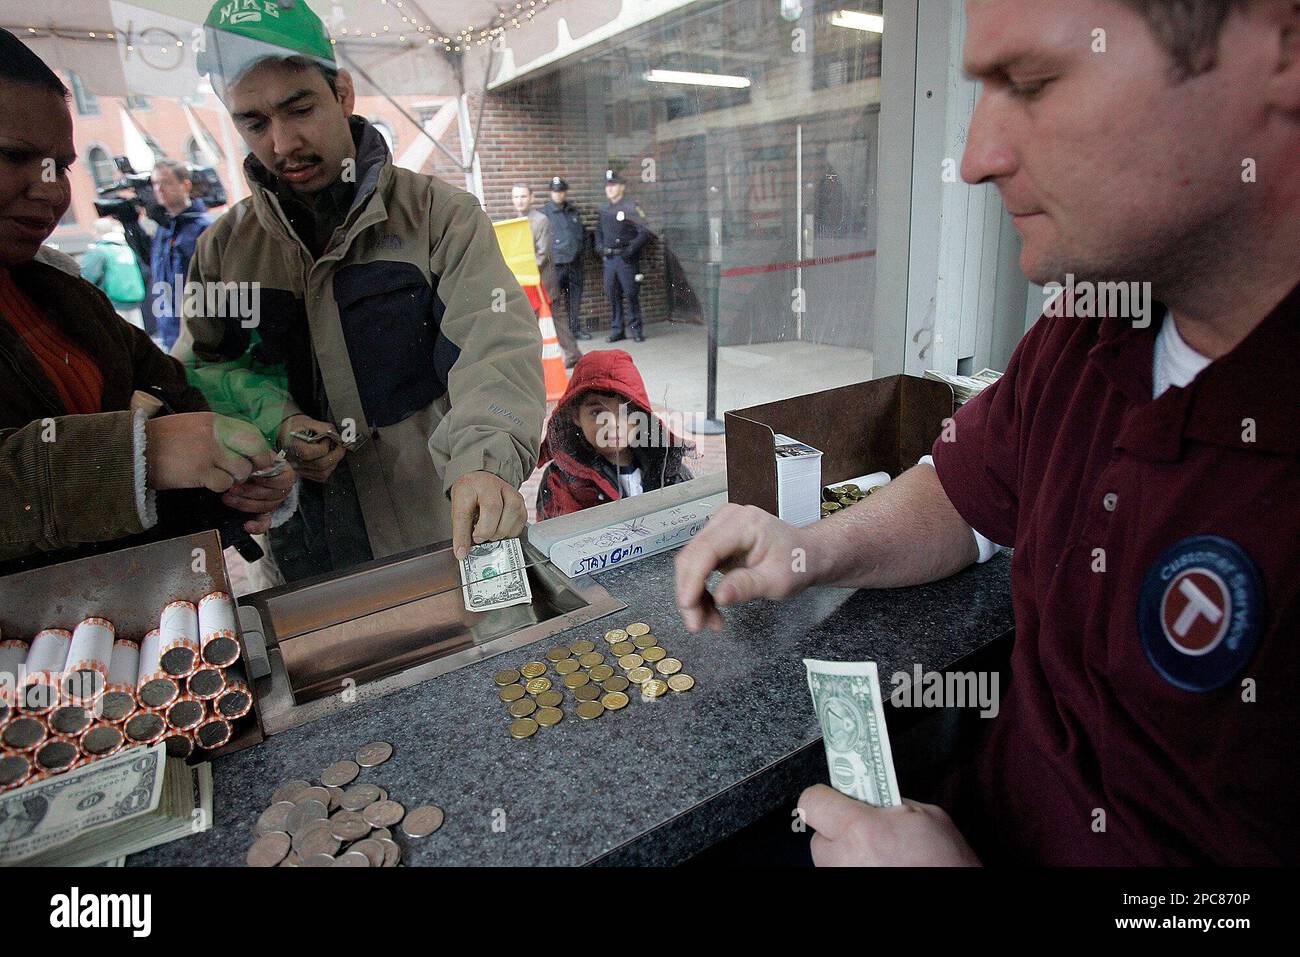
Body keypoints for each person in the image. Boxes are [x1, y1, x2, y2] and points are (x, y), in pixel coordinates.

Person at [674, 0, 1299, 866]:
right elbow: (966, 495)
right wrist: (810, 549)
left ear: (1282, 46)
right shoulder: (1092, 322)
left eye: (1034, 82)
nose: (973, 159)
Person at [178, 0, 546, 581]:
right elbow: (206, 369)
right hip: (301, 543)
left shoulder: (439, 217)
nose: (282, 143)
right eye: (254, 123)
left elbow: (492, 345)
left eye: (299, 109)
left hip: (437, 526)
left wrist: (484, 460)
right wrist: (281, 423)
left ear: (343, 94)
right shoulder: (224, 250)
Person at [0, 27, 294, 570]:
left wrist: (228, 482)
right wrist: (145, 453)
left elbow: (174, 388)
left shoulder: (59, 289)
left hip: (136, 619)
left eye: (61, 166)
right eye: (15, 156)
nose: (50, 189)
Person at [536, 350, 692, 519]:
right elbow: (560, 539)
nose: (612, 424)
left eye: (624, 412)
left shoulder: (667, 467)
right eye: (597, 413)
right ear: (575, 416)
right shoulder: (561, 482)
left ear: (640, 415)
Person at [511, 181, 581, 368]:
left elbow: (542, 255)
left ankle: (573, 354)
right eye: (516, 197)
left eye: (523, 196)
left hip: (542, 282)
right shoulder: (514, 223)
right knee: (530, 322)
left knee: (556, 319)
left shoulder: (540, 220)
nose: (519, 200)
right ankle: (535, 361)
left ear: (531, 198)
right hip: (525, 281)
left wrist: (520, 269)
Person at [149, 159, 212, 351]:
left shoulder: (203, 227)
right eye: (155, 184)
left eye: (166, 182)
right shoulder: (163, 230)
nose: (160, 189)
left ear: (185, 185)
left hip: (198, 332)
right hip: (169, 330)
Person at [595, 169, 650, 342]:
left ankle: (636, 330)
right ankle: (617, 330)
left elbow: (644, 232)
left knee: (631, 294)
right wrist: (600, 248)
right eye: (607, 186)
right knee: (613, 295)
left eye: (613, 185)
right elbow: (599, 232)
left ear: (622, 187)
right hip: (610, 260)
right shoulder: (603, 209)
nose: (609, 189)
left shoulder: (631, 207)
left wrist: (631, 250)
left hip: (626, 259)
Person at [541, 176, 591, 341]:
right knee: (554, 302)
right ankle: (558, 335)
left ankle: (575, 330)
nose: (558, 194)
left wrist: (581, 252)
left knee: (574, 300)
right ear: (551, 193)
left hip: (574, 263)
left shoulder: (573, 211)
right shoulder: (544, 214)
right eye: (555, 191)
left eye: (561, 191)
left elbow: (582, 235)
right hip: (556, 266)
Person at [80, 217, 147, 331]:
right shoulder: (126, 248)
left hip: (113, 303)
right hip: (134, 301)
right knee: (137, 335)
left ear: (96, 231)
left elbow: (88, 277)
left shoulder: (99, 251)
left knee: (119, 337)